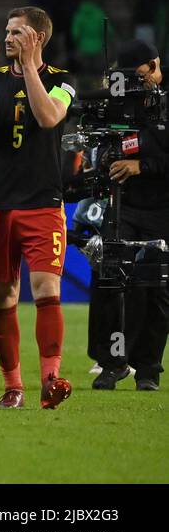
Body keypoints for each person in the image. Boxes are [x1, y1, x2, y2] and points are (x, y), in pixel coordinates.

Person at [0, 7, 75, 409]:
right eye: (8, 31)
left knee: (47, 288)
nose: (8, 38)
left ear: (38, 38)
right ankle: (13, 386)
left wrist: (30, 67)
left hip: (42, 202)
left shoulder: (62, 81)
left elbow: (48, 117)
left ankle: (50, 380)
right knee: (3, 295)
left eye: (17, 32)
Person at [90, 41, 168, 391]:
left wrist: (142, 166)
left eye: (137, 76)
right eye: (126, 77)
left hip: (162, 209)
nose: (134, 84)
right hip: (123, 204)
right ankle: (112, 363)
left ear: (153, 66)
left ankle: (148, 368)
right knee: (110, 281)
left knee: (157, 287)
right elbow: (99, 148)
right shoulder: (117, 106)